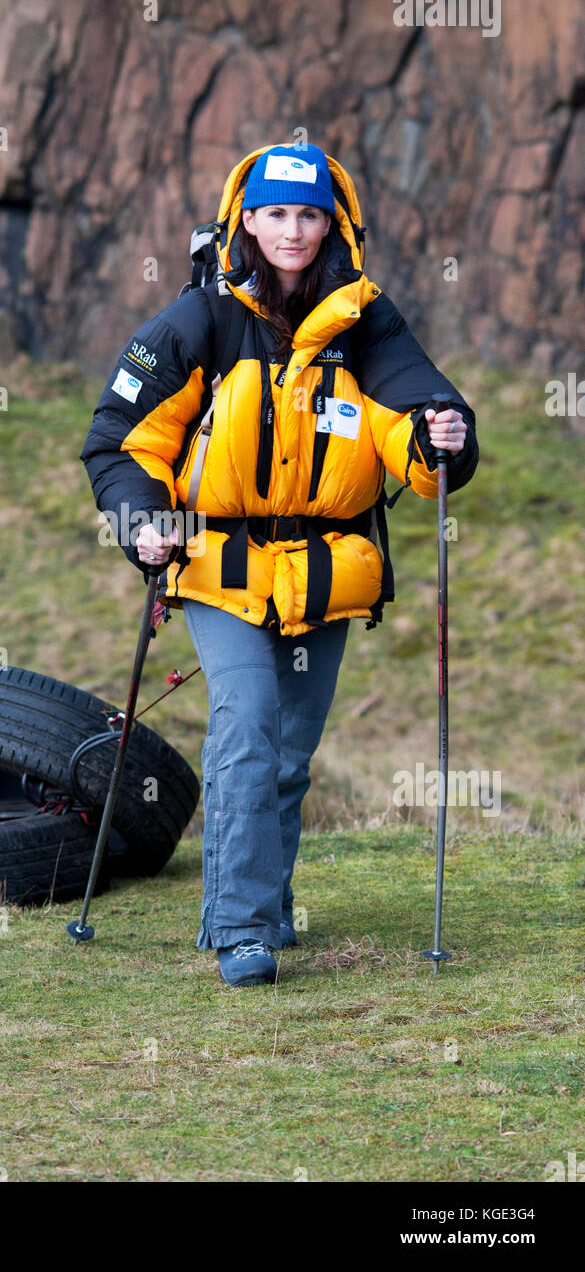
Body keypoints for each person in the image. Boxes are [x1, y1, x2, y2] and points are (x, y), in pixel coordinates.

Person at [80, 142, 478, 987]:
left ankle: (257, 902)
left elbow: (412, 411)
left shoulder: (364, 318)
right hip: (217, 562)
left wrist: (442, 436)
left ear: (330, 224)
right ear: (245, 221)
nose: (291, 231)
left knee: (289, 755)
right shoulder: (201, 318)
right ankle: (241, 928)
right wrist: (140, 520)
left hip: (328, 568)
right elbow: (120, 440)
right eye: (274, 214)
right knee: (248, 730)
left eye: (307, 215)